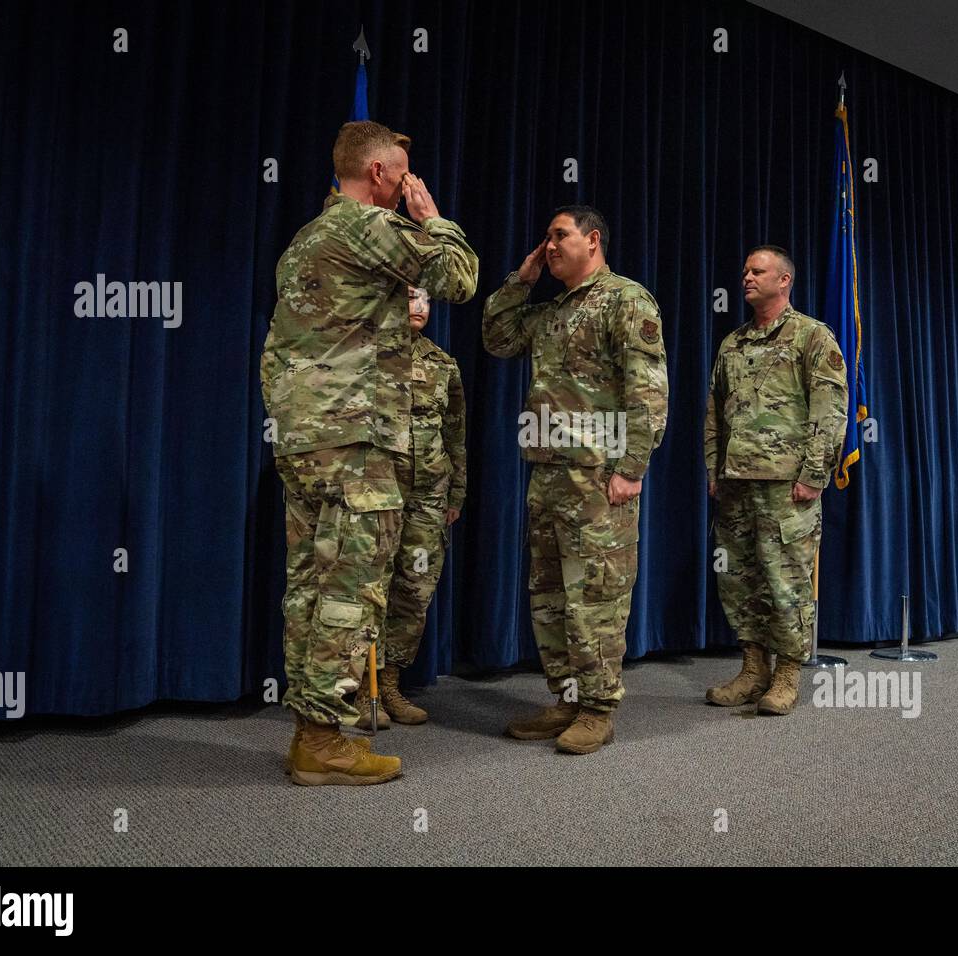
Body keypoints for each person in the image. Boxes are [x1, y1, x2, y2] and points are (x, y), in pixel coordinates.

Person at [260, 120, 478, 784]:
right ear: (380, 174)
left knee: (310, 584)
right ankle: (323, 739)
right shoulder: (364, 226)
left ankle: (314, 726)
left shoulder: (309, 237)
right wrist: (432, 215)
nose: (407, 182)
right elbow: (459, 278)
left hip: (306, 434)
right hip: (354, 435)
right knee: (353, 586)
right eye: (402, 172)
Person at [482, 206, 668, 754]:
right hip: (548, 473)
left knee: (596, 595)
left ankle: (597, 706)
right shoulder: (551, 311)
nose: (550, 244)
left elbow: (648, 393)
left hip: (597, 476)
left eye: (559, 236)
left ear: (592, 240)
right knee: (551, 596)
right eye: (546, 237)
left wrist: (631, 469)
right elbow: (497, 337)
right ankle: (565, 697)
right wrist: (522, 279)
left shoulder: (626, 300)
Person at [704, 246, 848, 714]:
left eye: (757, 270)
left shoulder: (812, 337)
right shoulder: (733, 343)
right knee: (739, 580)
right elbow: (714, 416)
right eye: (744, 269)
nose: (746, 276)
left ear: (783, 280)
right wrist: (714, 470)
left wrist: (814, 474)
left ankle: (786, 675)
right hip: (736, 484)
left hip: (787, 486)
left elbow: (831, 411)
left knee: (785, 581)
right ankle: (753, 669)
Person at [350, 286, 465, 728]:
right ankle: (362, 689)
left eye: (426, 301)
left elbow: (455, 435)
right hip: (377, 492)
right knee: (369, 588)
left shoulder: (443, 364)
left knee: (413, 592)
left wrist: (456, 495)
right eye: (409, 297)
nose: (418, 308)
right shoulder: (365, 354)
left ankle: (390, 683)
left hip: (429, 496)